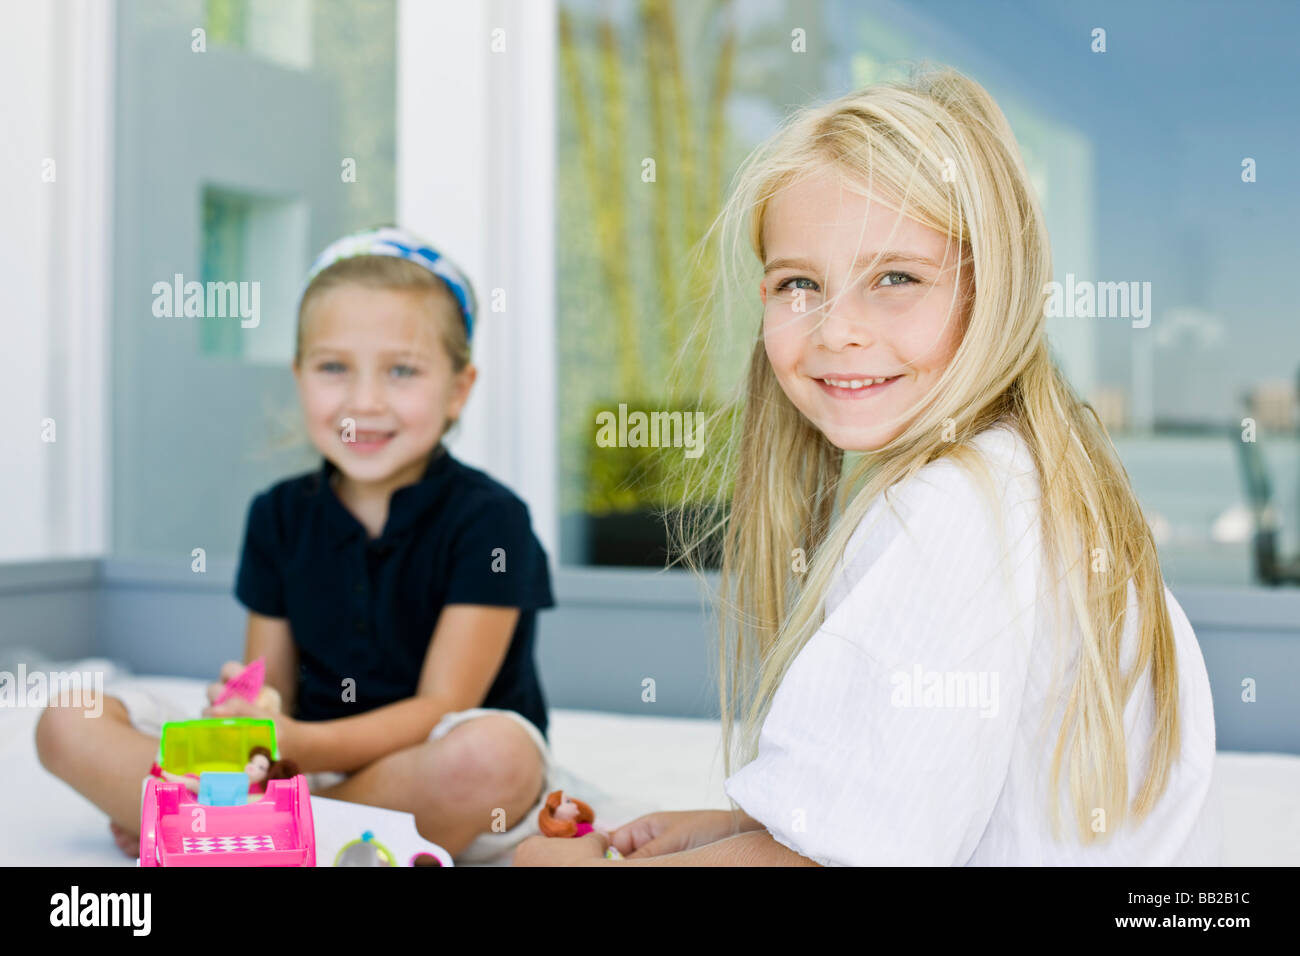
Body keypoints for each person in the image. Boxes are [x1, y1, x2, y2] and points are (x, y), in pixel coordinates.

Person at [513, 67, 1219, 866]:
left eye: (895, 278)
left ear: (996, 289)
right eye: (800, 284)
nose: (837, 329)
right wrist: (736, 830)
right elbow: (920, 804)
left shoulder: (953, 510)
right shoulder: (1031, 477)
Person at [38, 226, 557, 864]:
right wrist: (247, 713)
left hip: (421, 777)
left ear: (458, 389)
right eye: (334, 368)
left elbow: (443, 705)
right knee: (68, 719)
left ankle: (215, 832)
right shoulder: (279, 514)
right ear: (299, 375)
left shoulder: (492, 521)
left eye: (402, 371)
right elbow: (271, 687)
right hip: (300, 772)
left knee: (494, 757)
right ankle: (275, 834)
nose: (363, 402)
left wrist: (296, 745)